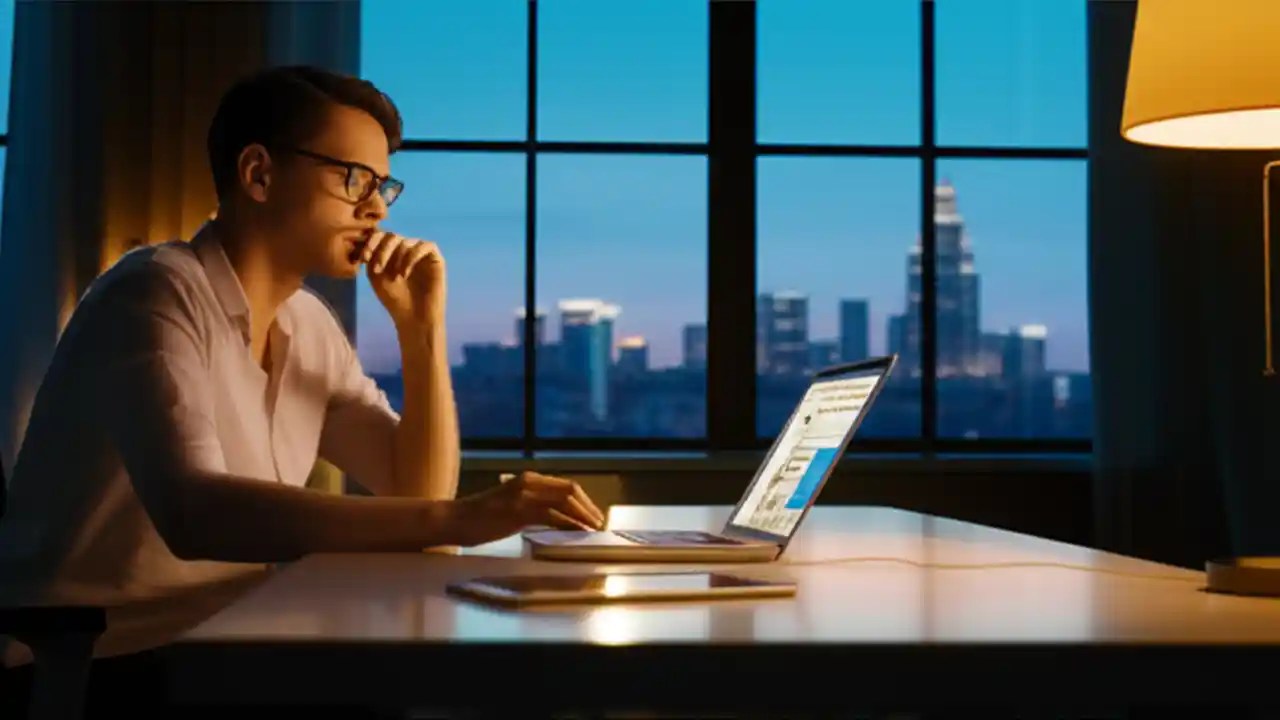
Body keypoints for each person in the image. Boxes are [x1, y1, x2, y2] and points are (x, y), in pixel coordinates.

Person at [0, 65, 604, 715]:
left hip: (234, 639)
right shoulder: (153, 290)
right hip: (100, 664)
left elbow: (417, 494)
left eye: (383, 187)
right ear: (258, 174)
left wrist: (422, 331)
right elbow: (194, 514)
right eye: (354, 180)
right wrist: (469, 517)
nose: (375, 207)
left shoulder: (307, 321)